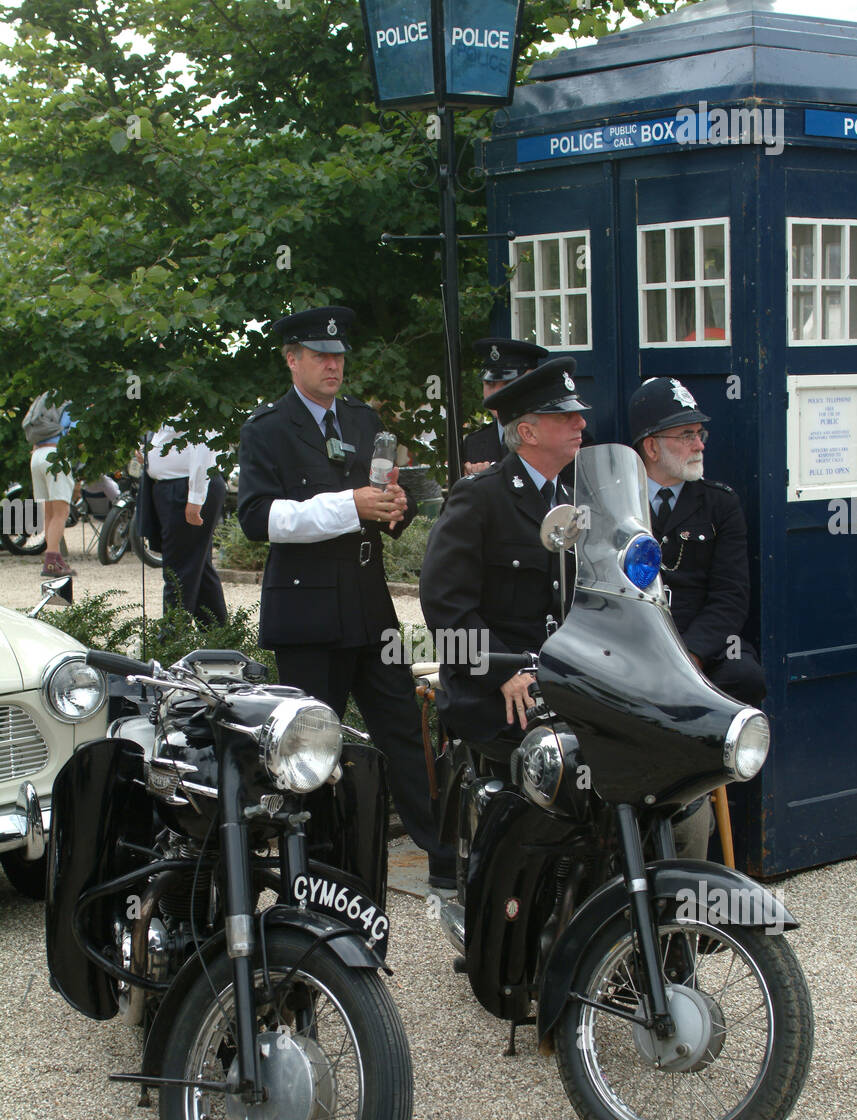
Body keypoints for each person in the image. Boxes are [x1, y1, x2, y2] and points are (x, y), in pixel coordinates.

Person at [236, 304, 455, 888]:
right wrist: (348, 506)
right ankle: (314, 865)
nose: (334, 366)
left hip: (368, 603)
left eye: (338, 357)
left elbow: (377, 502)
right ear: (292, 360)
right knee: (311, 741)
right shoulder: (267, 430)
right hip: (308, 611)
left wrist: (392, 511)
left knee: (405, 729)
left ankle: (443, 859)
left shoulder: (361, 422)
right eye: (320, 356)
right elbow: (257, 518)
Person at [420, 356, 588, 749]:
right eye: (565, 417)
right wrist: (501, 672)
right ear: (527, 432)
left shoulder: (569, 501)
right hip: (493, 689)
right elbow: (445, 605)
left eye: (578, 415)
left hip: (559, 683)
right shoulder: (480, 496)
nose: (581, 424)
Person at [628, 376, 766, 707]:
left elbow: (731, 596)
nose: (700, 445)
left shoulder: (720, 504)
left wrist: (692, 654)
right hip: (633, 639)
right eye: (686, 435)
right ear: (651, 446)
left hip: (702, 642)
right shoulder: (618, 499)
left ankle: (723, 760)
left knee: (745, 676)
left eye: (699, 434)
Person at [145, 422, 228, 626]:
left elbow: (204, 445)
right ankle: (219, 638)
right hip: (175, 485)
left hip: (188, 487)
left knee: (179, 571)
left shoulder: (196, 398)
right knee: (199, 569)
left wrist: (196, 497)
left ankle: (171, 641)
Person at [461, 337, 548, 475]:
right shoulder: (473, 444)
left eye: (508, 384)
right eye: (490, 384)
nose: (496, 394)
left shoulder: (556, 436)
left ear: (532, 382)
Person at [28, 403, 77, 577]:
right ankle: (51, 562)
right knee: (61, 512)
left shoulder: (47, 400)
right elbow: (74, 432)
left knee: (49, 512)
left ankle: (54, 558)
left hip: (36, 455)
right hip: (56, 456)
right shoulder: (73, 402)